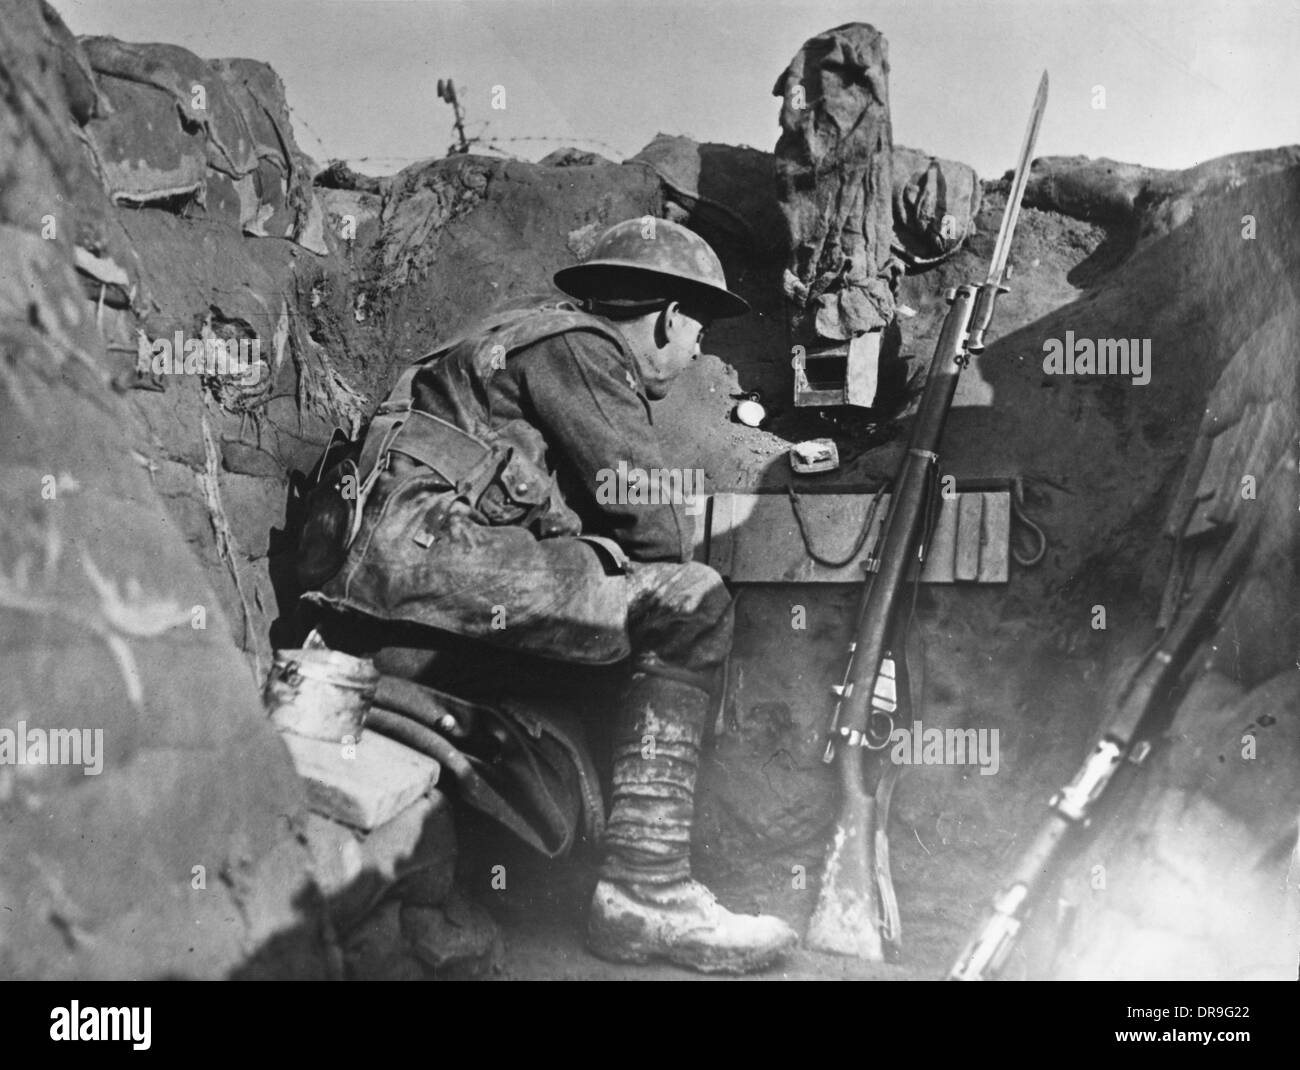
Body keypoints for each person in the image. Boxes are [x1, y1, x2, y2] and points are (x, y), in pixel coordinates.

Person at [304, 217, 797, 974]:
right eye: (698, 326)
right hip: (432, 568)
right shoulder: (585, 347)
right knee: (690, 599)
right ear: (667, 317)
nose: (699, 348)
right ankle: (648, 890)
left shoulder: (512, 338)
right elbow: (655, 527)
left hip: (394, 600)